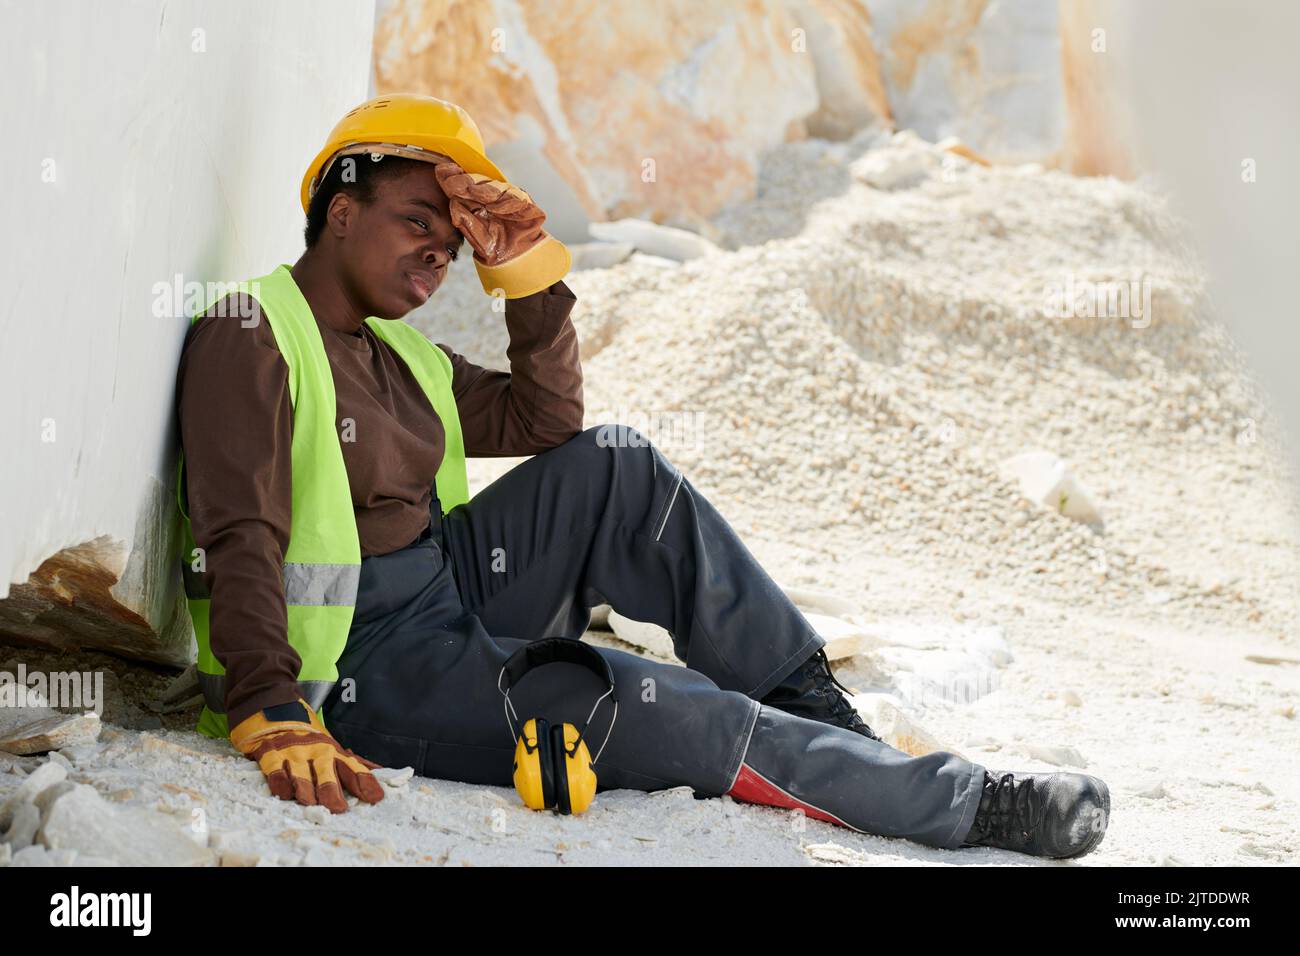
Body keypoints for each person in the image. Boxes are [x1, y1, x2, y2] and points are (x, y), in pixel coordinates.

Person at [173, 94, 1110, 859]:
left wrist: (529, 277)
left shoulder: (402, 358)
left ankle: (819, 715)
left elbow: (550, 422)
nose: (436, 256)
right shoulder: (254, 332)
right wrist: (269, 704)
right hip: (364, 670)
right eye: (416, 223)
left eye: (451, 247)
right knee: (672, 709)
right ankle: (965, 805)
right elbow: (239, 534)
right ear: (341, 210)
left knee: (613, 465)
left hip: (448, 593)